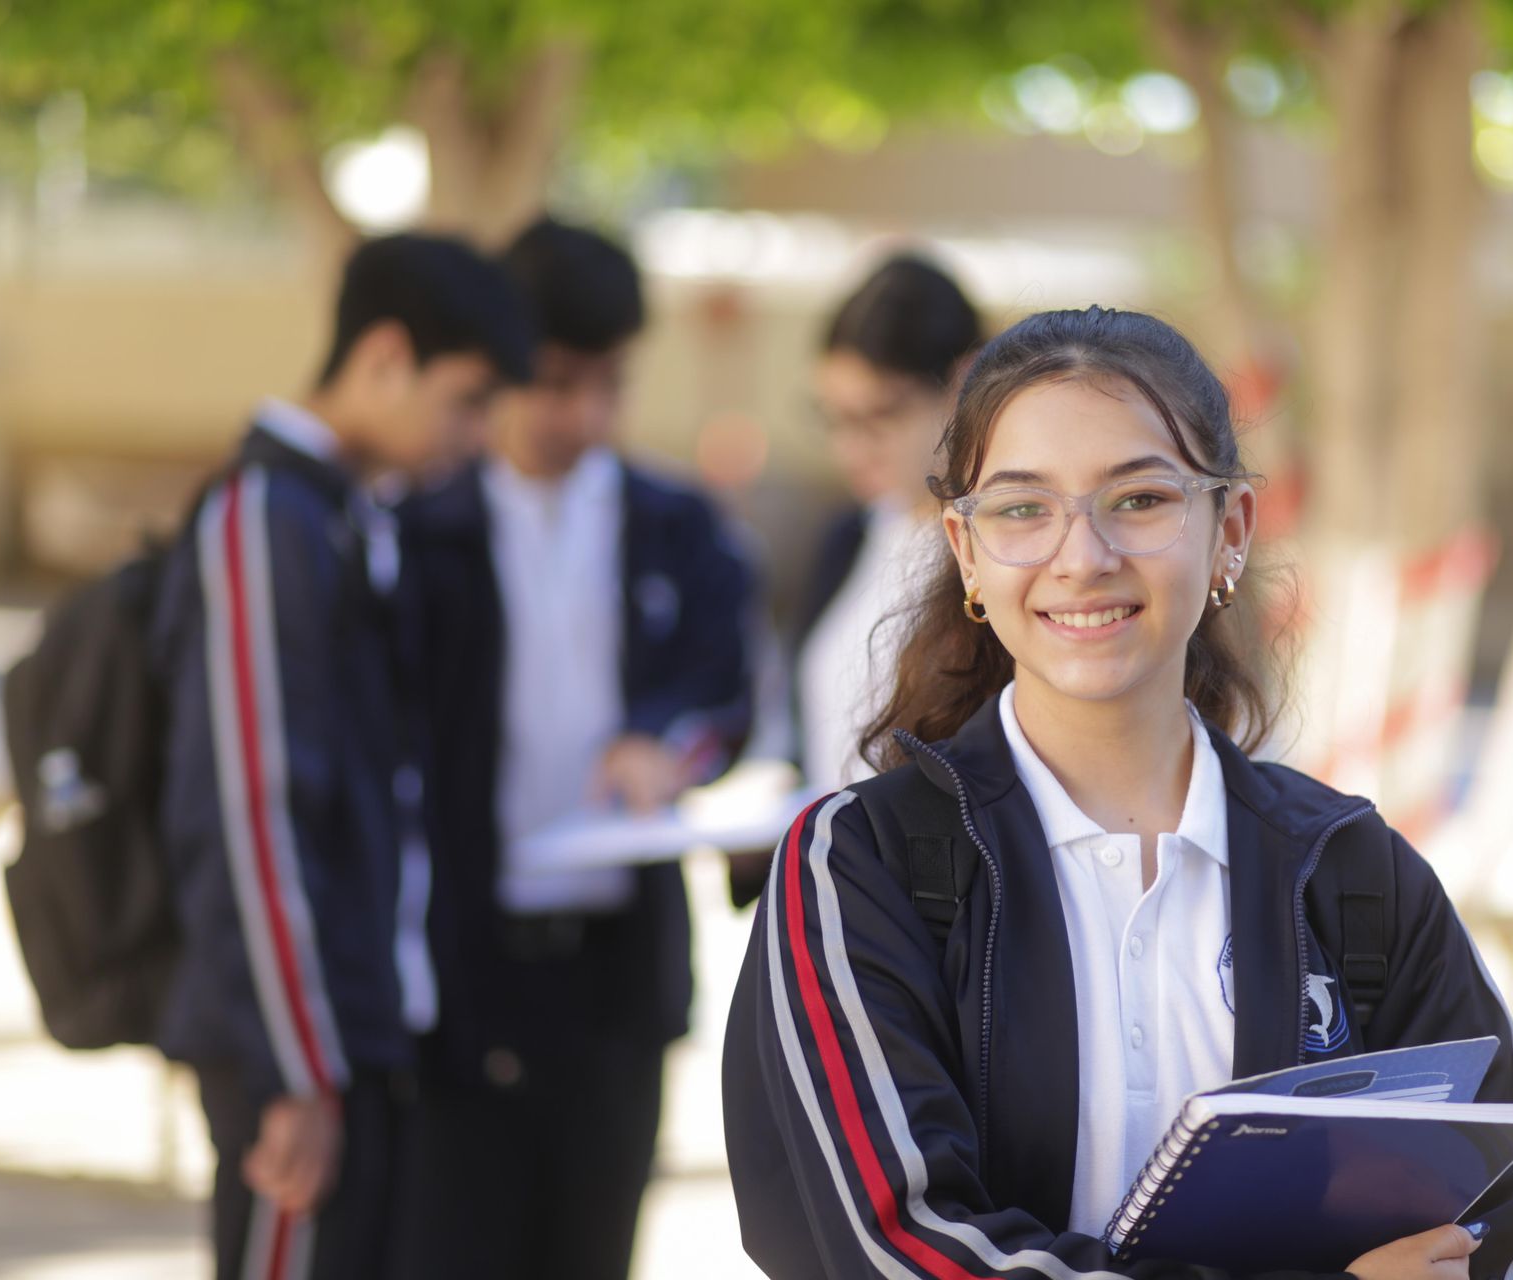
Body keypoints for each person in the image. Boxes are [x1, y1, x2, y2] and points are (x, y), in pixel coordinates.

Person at [723, 307, 1513, 1279]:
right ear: (966, 552)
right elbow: (901, 1250)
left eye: (1140, 498)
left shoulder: (1352, 870)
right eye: (1023, 508)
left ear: (1230, 529)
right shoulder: (859, 867)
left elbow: (1511, 1198)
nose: (1083, 555)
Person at [153, 233, 533, 1280]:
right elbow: (248, 811)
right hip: (294, 1043)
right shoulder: (261, 518)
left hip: (358, 1027)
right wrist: (296, 1069)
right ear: (382, 357)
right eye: (464, 399)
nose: (474, 434)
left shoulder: (345, 516)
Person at [397, 217, 754, 1280]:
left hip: (613, 975)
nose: (585, 413)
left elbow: (727, 691)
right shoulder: (422, 526)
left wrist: (666, 747)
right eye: (557, 382)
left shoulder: (675, 522)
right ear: (499, 366)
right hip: (458, 962)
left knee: (592, 1250)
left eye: (610, 383)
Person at [795, 253, 983, 792]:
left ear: (963, 381)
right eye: (833, 419)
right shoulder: (849, 538)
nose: (850, 448)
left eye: (880, 415)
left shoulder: (1006, 546)